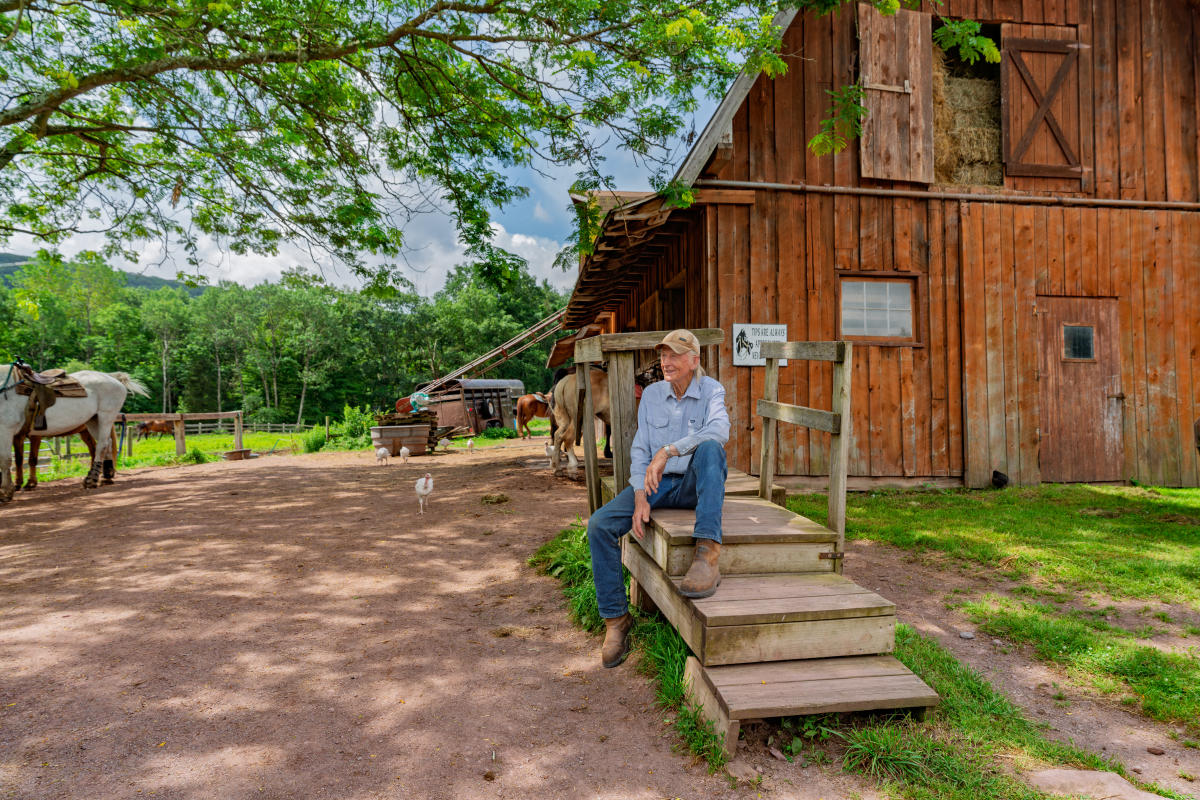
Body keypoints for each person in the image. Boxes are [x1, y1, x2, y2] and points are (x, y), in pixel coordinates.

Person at [586, 329, 729, 668]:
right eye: (663, 354)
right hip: (657, 484)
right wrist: (639, 494)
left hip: (693, 483)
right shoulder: (651, 395)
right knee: (599, 525)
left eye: (675, 355)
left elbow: (720, 430)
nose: (666, 361)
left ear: (694, 360)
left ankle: (707, 554)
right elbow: (639, 450)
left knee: (711, 449)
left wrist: (669, 450)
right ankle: (616, 620)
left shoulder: (712, 390)